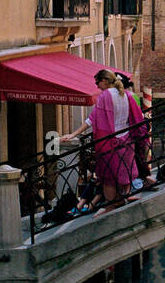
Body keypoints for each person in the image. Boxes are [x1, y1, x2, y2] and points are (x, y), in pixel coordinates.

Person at [61, 71, 148, 211]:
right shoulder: (127, 95)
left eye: (97, 83)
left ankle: (110, 205)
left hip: (110, 143)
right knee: (123, 172)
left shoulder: (105, 96)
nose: (97, 86)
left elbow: (93, 119)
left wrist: (73, 134)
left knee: (108, 176)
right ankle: (123, 198)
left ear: (105, 81)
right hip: (127, 141)